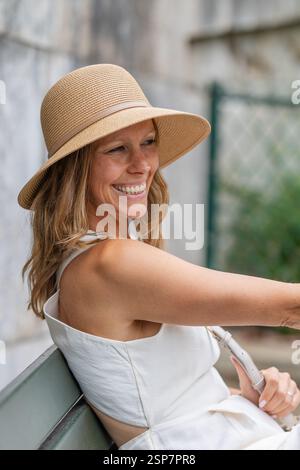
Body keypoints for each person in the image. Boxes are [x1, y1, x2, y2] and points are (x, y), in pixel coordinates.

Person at [17, 64, 300, 450]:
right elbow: (289, 306)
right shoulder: (109, 264)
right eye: (118, 148)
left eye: (148, 142)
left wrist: (245, 399)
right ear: (75, 167)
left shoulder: (99, 259)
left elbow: (162, 408)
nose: (143, 165)